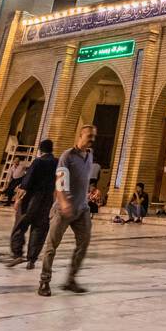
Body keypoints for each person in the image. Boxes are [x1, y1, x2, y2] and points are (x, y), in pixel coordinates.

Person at [37, 124, 97, 296]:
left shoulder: (90, 155)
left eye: (94, 136)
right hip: (63, 209)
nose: (92, 139)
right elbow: (60, 181)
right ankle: (44, 281)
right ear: (80, 136)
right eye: (89, 136)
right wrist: (64, 202)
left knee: (83, 243)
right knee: (51, 246)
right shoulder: (67, 156)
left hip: (82, 209)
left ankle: (71, 279)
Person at [7, 139, 57, 269]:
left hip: (31, 199)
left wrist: (18, 200)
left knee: (20, 226)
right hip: (47, 201)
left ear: (40, 150)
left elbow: (26, 183)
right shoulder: (57, 163)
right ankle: (32, 259)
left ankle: (17, 254)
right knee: (39, 229)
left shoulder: (38, 161)